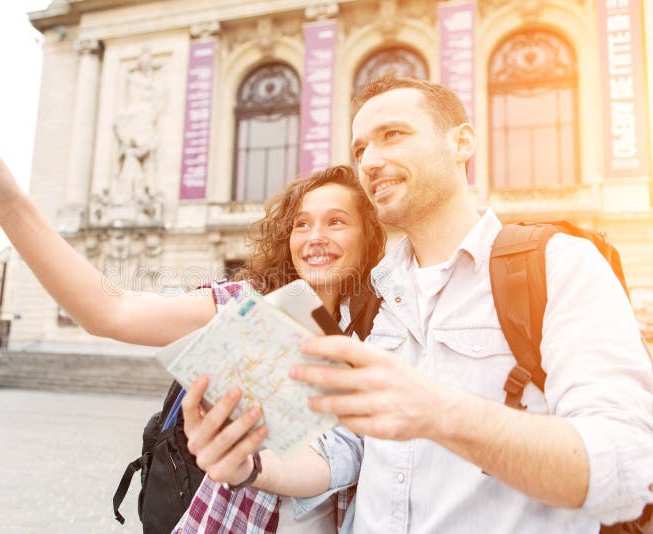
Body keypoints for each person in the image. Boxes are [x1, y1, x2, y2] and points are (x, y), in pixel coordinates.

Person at [0, 65, 386, 531]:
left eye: (337, 221)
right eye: (302, 223)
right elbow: (110, 311)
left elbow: (347, 457)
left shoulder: (387, 331)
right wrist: (7, 205)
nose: (314, 237)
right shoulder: (243, 305)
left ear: (370, 236)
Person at [181, 71, 653, 533]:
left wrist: (442, 413)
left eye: (393, 135)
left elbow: (629, 469)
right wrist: (251, 465)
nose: (368, 162)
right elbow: (348, 447)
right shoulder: (371, 298)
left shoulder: (560, 265)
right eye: (361, 149)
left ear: (462, 142)